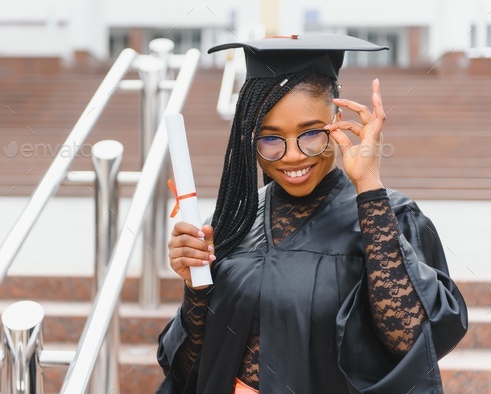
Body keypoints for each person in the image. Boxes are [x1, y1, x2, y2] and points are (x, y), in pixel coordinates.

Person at [156, 34, 468, 394]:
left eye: (312, 134)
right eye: (270, 139)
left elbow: (411, 342)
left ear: (337, 120)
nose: (292, 156)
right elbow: (189, 367)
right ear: (249, 136)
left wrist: (368, 186)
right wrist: (195, 285)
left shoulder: (386, 215)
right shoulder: (235, 219)